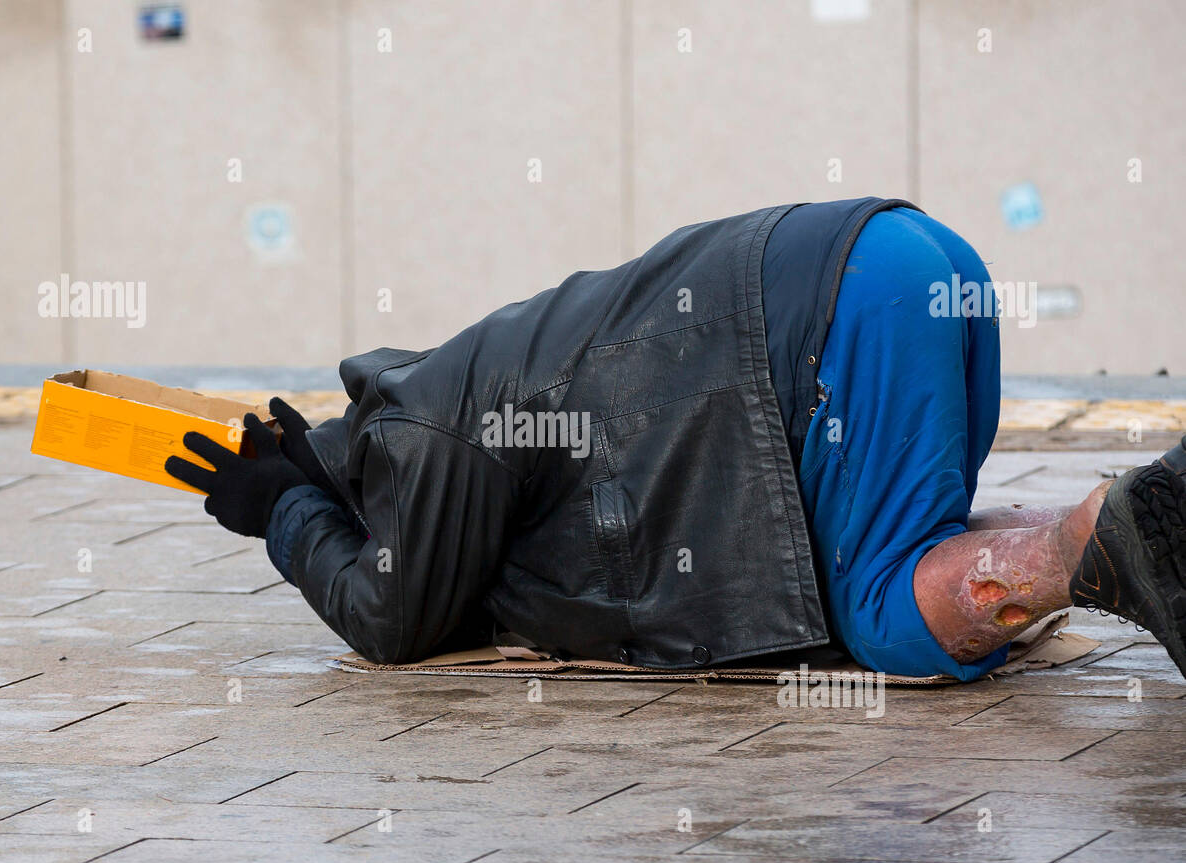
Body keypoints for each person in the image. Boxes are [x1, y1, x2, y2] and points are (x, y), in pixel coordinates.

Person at [165, 198, 1186, 681]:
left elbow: (390, 619)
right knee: (910, 542)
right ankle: (1150, 529)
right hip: (899, 254)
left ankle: (1117, 525)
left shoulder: (423, 434)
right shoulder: (451, 385)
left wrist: (283, 516)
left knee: (882, 613)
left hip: (846, 301)